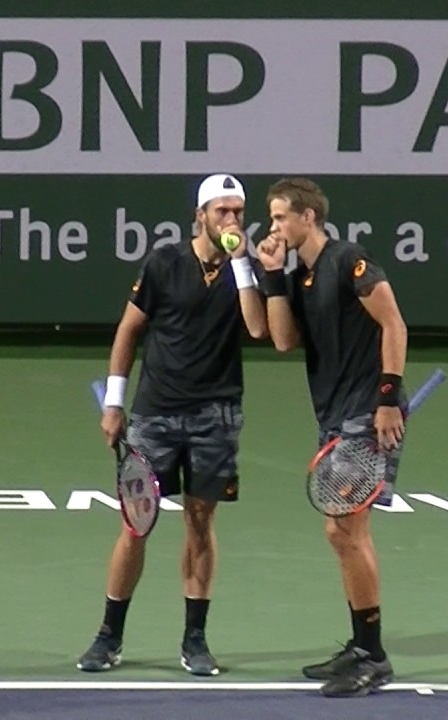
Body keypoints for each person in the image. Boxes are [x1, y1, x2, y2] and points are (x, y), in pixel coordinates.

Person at [78, 173, 268, 677]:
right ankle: (109, 635)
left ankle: (195, 639)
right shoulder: (163, 263)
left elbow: (257, 327)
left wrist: (242, 263)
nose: (232, 220)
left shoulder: (246, 271)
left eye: (238, 212)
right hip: (155, 414)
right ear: (200, 216)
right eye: (222, 211)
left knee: (200, 522)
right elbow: (128, 331)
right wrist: (114, 404)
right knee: (136, 524)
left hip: (216, 418)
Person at [255, 177, 409, 698]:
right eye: (272, 218)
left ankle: (374, 657)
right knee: (341, 533)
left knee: (347, 529)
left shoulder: (348, 260)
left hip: (368, 410)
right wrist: (272, 276)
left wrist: (387, 398)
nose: (273, 226)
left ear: (308, 217)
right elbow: (282, 341)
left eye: (280, 217)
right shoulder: (300, 277)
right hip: (333, 414)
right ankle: (362, 646)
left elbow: (393, 324)